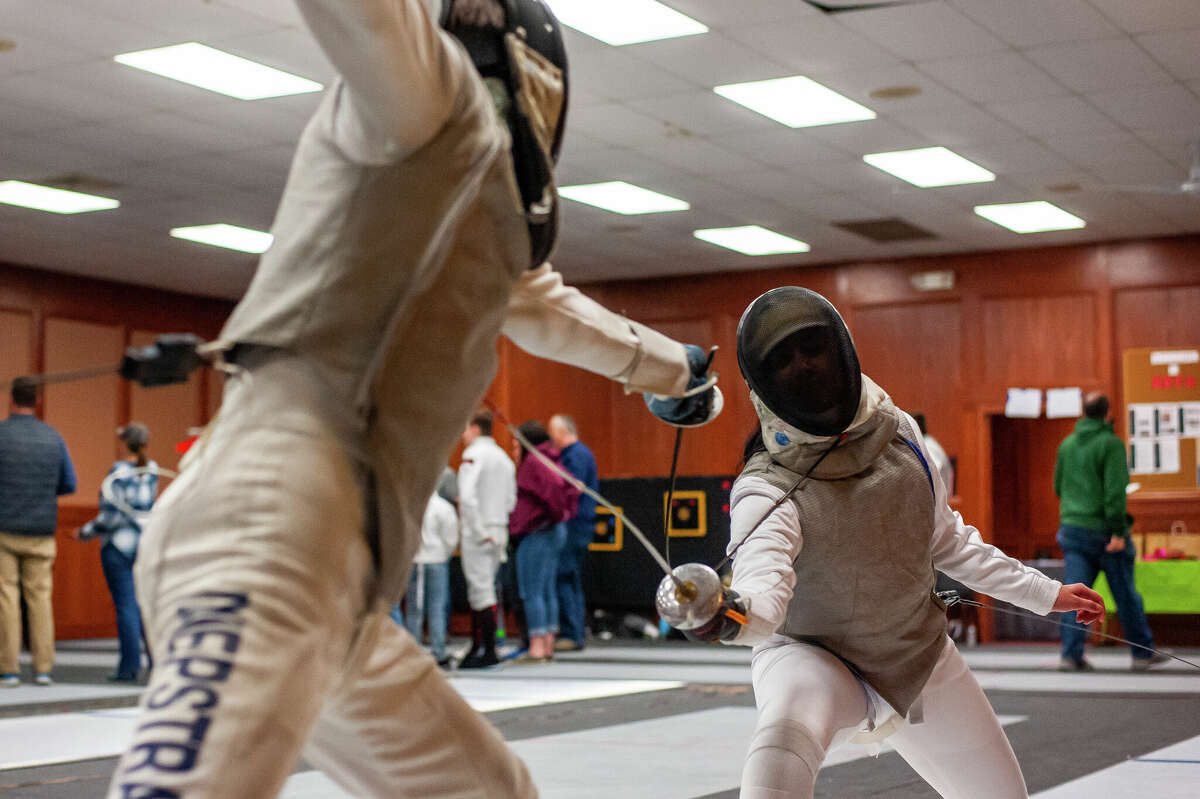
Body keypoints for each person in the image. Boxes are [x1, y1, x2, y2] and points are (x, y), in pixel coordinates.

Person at [106, 2, 722, 793]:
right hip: (264, 527)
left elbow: (559, 315)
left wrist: (678, 372)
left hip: (348, 584)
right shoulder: (431, 100)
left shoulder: (491, 227)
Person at [678, 287, 1104, 799]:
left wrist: (1046, 594)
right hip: (812, 655)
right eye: (784, 360)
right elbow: (763, 588)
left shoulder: (899, 434)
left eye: (812, 348)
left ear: (839, 349)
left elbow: (947, 541)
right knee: (781, 743)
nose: (806, 367)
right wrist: (733, 613)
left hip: (913, 654)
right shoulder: (764, 488)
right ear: (763, 384)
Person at [1054, 391, 1170, 673]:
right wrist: (1118, 532)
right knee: (1125, 594)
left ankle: (1070, 654)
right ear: (1107, 414)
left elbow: (1058, 486)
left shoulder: (1067, 445)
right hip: (1105, 532)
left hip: (1072, 529)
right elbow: (1115, 493)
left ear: (1084, 412)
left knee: (1075, 594)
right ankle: (1142, 653)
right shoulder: (1111, 444)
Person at [0, 377, 76, 688]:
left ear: (10, 399)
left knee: (6, 597)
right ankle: (44, 669)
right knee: (40, 599)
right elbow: (69, 483)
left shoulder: (1, 435)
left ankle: (10, 670)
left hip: (4, 530)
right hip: (42, 531)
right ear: (37, 401)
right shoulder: (53, 437)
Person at [75, 423, 159, 683]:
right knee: (146, 604)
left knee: (126, 606)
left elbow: (110, 517)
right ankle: (157, 662)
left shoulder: (118, 472)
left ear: (124, 443)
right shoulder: (152, 469)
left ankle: (128, 667)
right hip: (144, 544)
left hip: (119, 546)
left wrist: (85, 532)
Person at [509, 421, 576, 662]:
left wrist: (551, 516)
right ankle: (547, 644)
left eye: (517, 445)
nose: (514, 451)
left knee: (532, 590)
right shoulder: (550, 459)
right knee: (546, 589)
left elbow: (554, 492)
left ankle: (537, 647)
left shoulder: (535, 463)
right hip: (551, 529)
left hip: (538, 530)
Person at [457, 410, 517, 669]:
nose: (462, 435)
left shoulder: (473, 456)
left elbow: (468, 499)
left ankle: (487, 649)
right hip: (499, 527)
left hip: (479, 531)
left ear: (475, 429)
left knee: (480, 591)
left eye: (465, 428)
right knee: (488, 588)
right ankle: (480, 647)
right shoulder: (504, 458)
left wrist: (480, 531)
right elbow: (511, 500)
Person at [548, 413, 598, 652]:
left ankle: (571, 632)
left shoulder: (575, 456)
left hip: (574, 525)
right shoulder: (578, 454)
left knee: (565, 578)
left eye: (552, 432)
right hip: (578, 525)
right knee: (571, 579)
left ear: (562, 431)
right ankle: (574, 630)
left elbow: (570, 489)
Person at [404, 470, 459, 668]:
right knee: (437, 606)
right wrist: (444, 553)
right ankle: (439, 650)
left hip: (418, 560)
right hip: (437, 559)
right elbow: (451, 536)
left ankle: (414, 649)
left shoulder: (413, 506)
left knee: (415, 608)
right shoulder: (444, 508)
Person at [913, 412, 954, 497]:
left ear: (917, 428)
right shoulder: (927, 443)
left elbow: (932, 472)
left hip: (934, 503)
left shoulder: (928, 446)